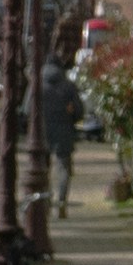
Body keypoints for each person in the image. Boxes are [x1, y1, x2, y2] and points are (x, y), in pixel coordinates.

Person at [38, 58, 84, 217]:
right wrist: (69, 115)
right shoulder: (68, 86)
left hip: (41, 133)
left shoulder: (37, 86)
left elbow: (26, 111)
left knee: (42, 169)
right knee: (63, 168)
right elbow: (79, 112)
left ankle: (45, 201)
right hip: (64, 131)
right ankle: (62, 201)